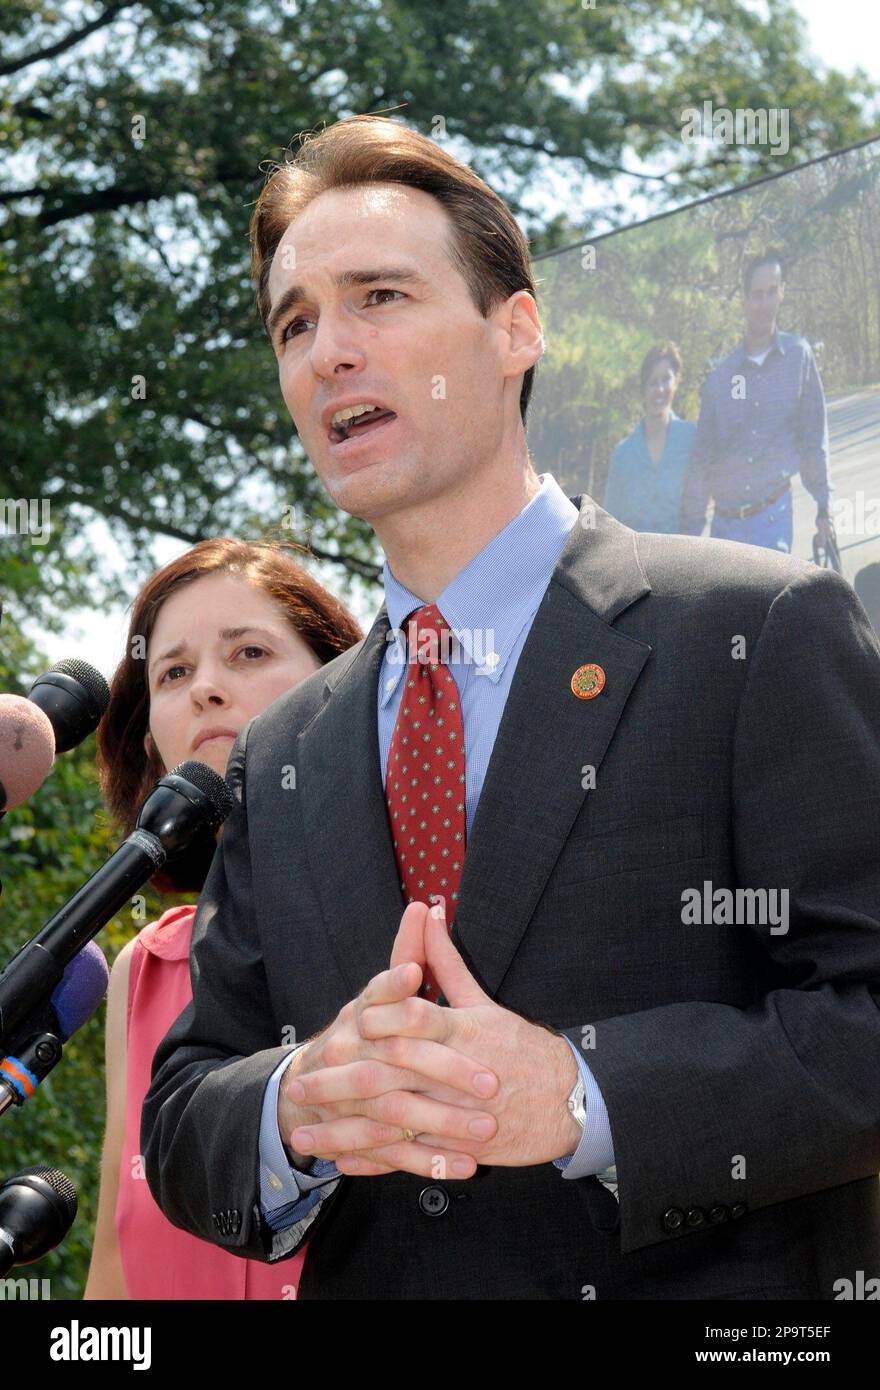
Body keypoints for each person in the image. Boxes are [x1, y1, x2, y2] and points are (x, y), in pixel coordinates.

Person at [142, 115, 880, 1300]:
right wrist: (300, 1101)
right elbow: (183, 1110)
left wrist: (584, 1096)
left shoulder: (754, 627)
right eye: (295, 324)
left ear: (514, 329)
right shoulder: (281, 749)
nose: (329, 350)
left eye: (377, 296)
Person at [83, 538, 362, 1299]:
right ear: (150, 741)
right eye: (173, 672)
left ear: (347, 682)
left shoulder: (420, 914)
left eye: (247, 652)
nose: (206, 687)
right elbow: (116, 1260)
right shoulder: (142, 968)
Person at [680, 251, 835, 553]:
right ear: (745, 300)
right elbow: (701, 460)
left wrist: (824, 507)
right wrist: (689, 533)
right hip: (725, 527)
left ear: (782, 293)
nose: (764, 304)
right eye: (756, 295)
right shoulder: (719, 379)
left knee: (771, 599)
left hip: (772, 516)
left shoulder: (798, 357)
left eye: (771, 293)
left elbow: (813, 440)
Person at [603, 341, 696, 532]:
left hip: (681, 557)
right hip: (634, 559)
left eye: (665, 380)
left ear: (676, 382)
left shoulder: (692, 439)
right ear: (643, 389)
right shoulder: (622, 455)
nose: (659, 389)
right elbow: (610, 522)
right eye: (653, 382)